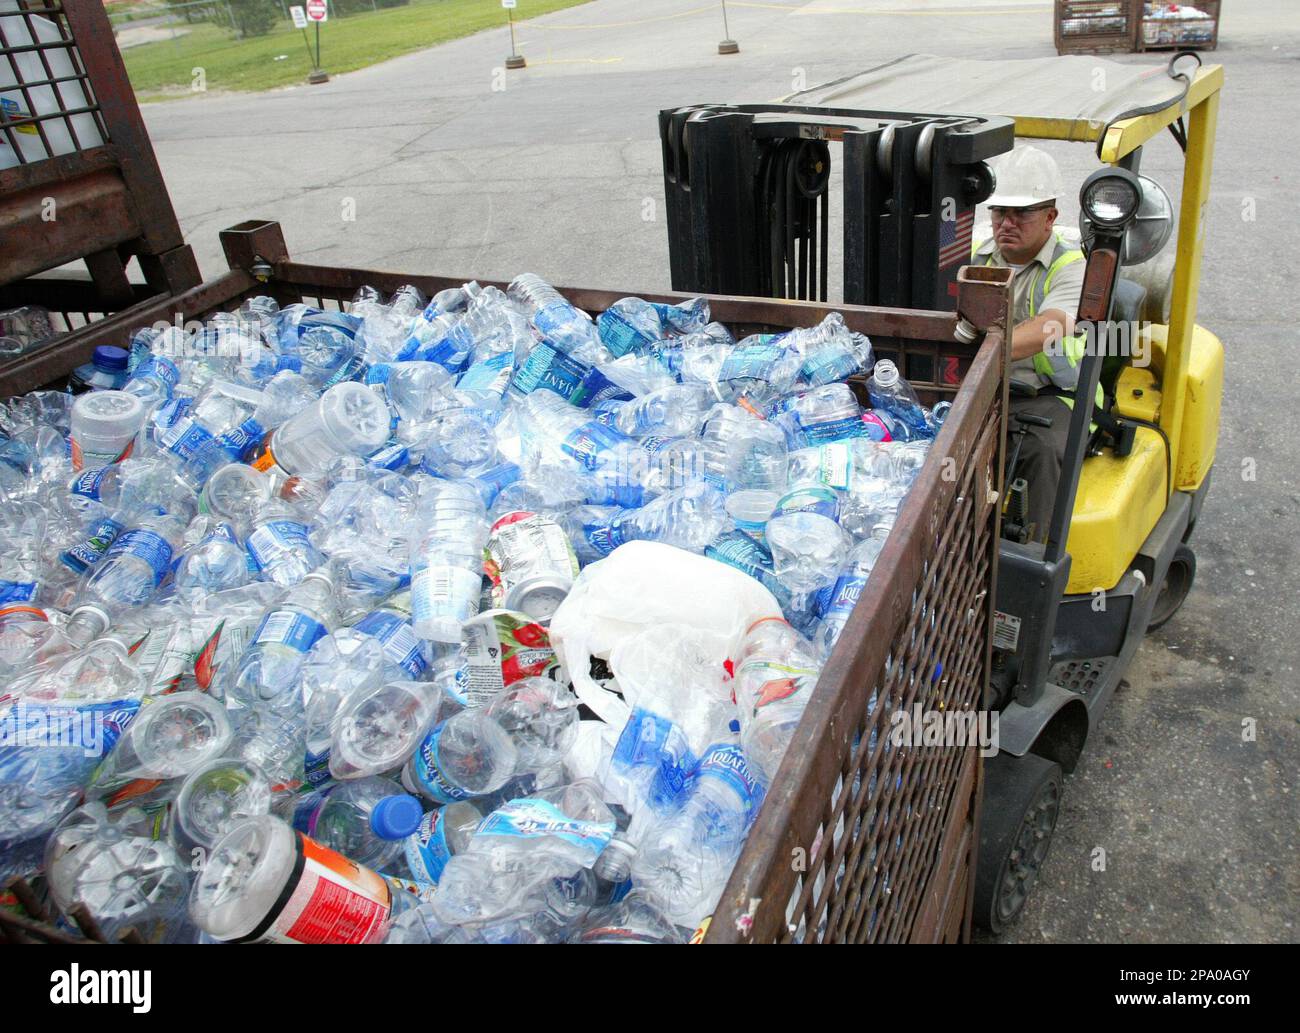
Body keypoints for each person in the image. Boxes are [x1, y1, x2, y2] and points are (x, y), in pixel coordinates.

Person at [972, 145, 1096, 544]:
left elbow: (1050, 327)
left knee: (1041, 452)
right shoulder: (978, 254)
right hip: (990, 383)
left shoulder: (1072, 266)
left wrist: (985, 343)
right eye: (999, 212)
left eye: (1021, 213)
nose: (1007, 223)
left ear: (1050, 217)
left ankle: (1033, 558)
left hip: (1053, 395)